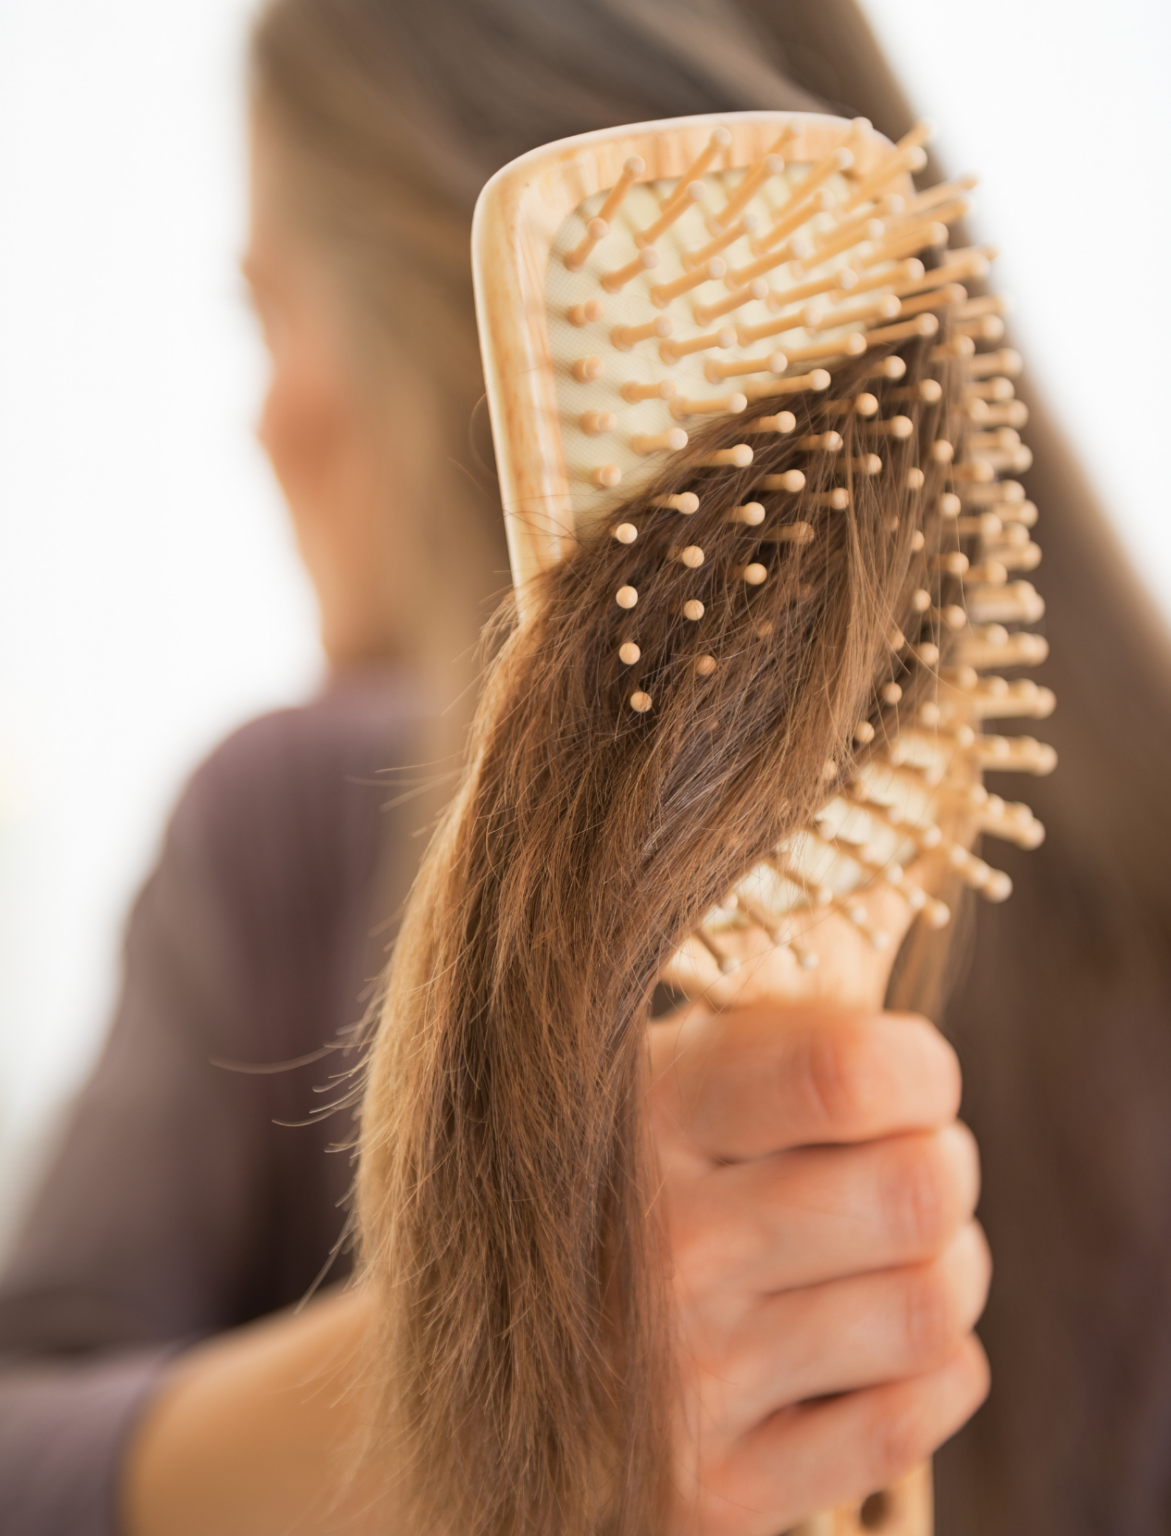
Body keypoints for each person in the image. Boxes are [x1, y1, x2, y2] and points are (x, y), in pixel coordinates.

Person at [1, 1, 1166, 1532]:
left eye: (270, 315)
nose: (264, 419)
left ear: (445, 325)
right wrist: (462, 1391)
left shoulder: (287, 815)